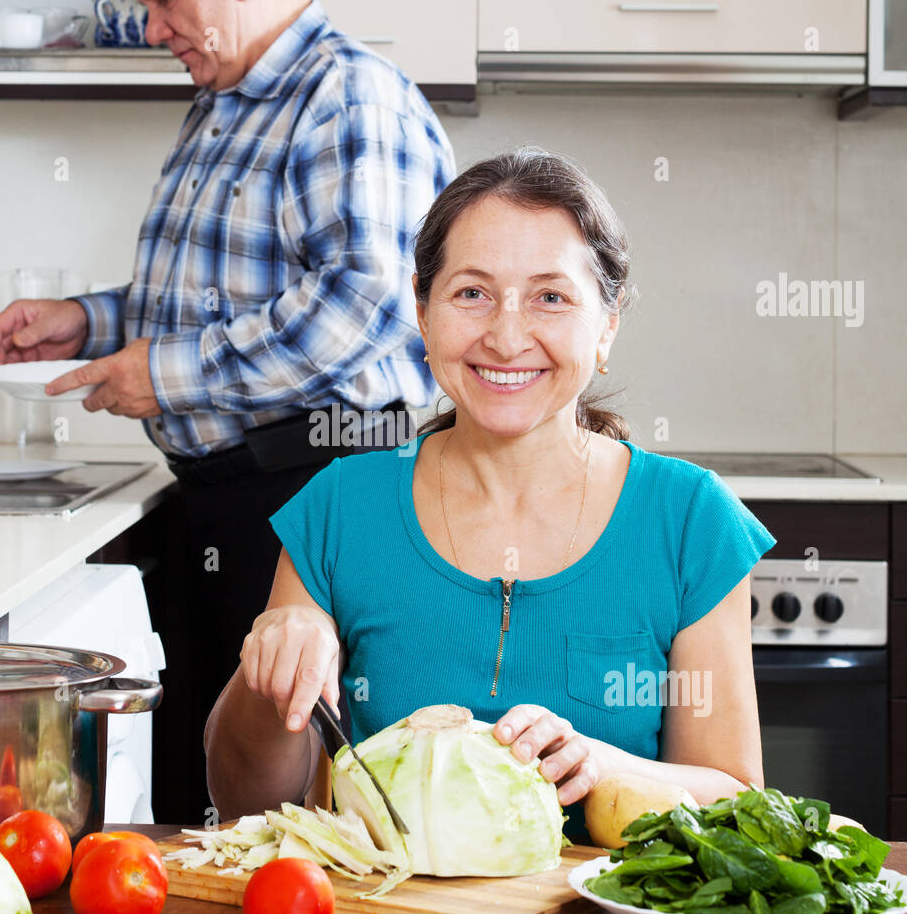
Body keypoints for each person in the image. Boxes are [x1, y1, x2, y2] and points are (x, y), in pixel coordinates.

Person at [0, 0, 455, 826]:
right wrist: (92, 321)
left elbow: (355, 307)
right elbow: (215, 298)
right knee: (217, 789)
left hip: (317, 485)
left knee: (297, 796)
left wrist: (158, 372)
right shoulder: (225, 104)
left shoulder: (349, 98)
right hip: (230, 496)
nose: (154, 29)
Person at [205, 148, 775, 840]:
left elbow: (735, 798)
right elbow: (245, 804)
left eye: (551, 298)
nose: (506, 337)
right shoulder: (338, 509)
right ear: (422, 311)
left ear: (607, 324)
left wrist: (603, 765)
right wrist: (268, 674)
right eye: (471, 293)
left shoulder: (689, 520)